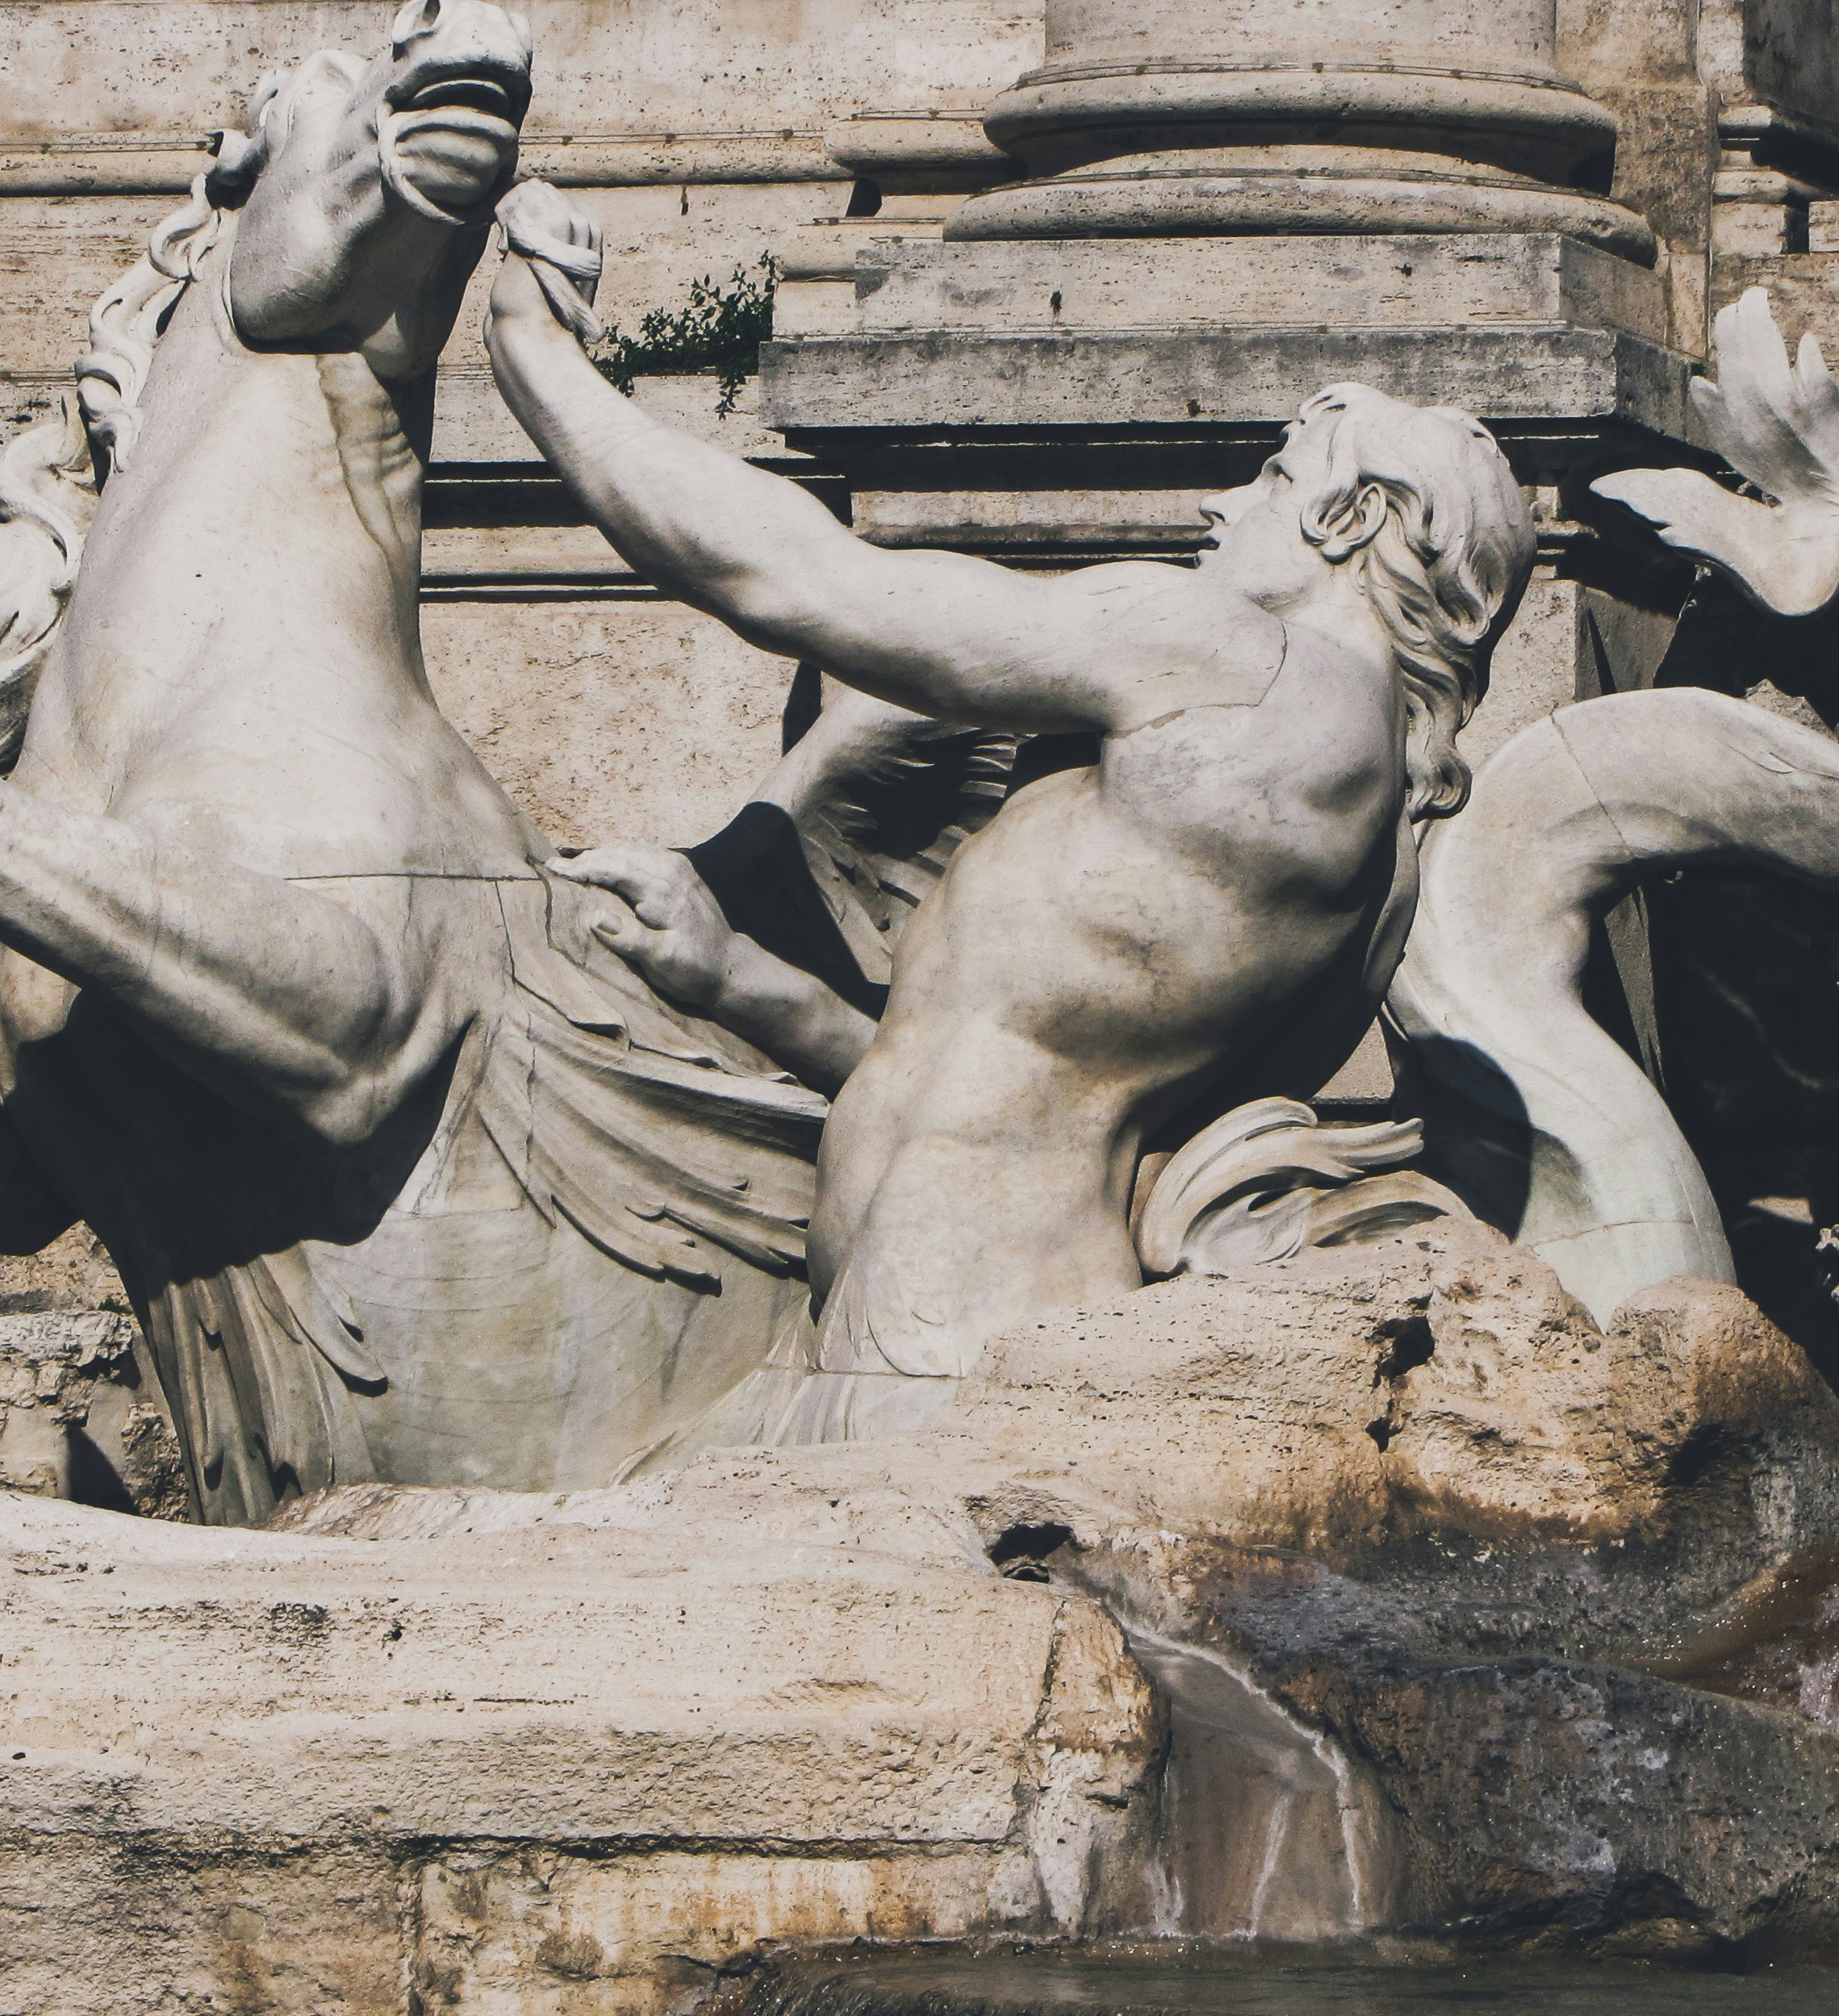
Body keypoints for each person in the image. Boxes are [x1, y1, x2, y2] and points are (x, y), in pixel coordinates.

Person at [481, 185, 1535, 1437]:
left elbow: (804, 581)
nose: (1219, 508)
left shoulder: (1240, 665)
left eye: (1270, 477)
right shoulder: (1367, 824)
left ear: (1348, 517)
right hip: (953, 1323)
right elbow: (993, 1065)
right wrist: (733, 978)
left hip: (945, 1335)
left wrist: (535, 357)